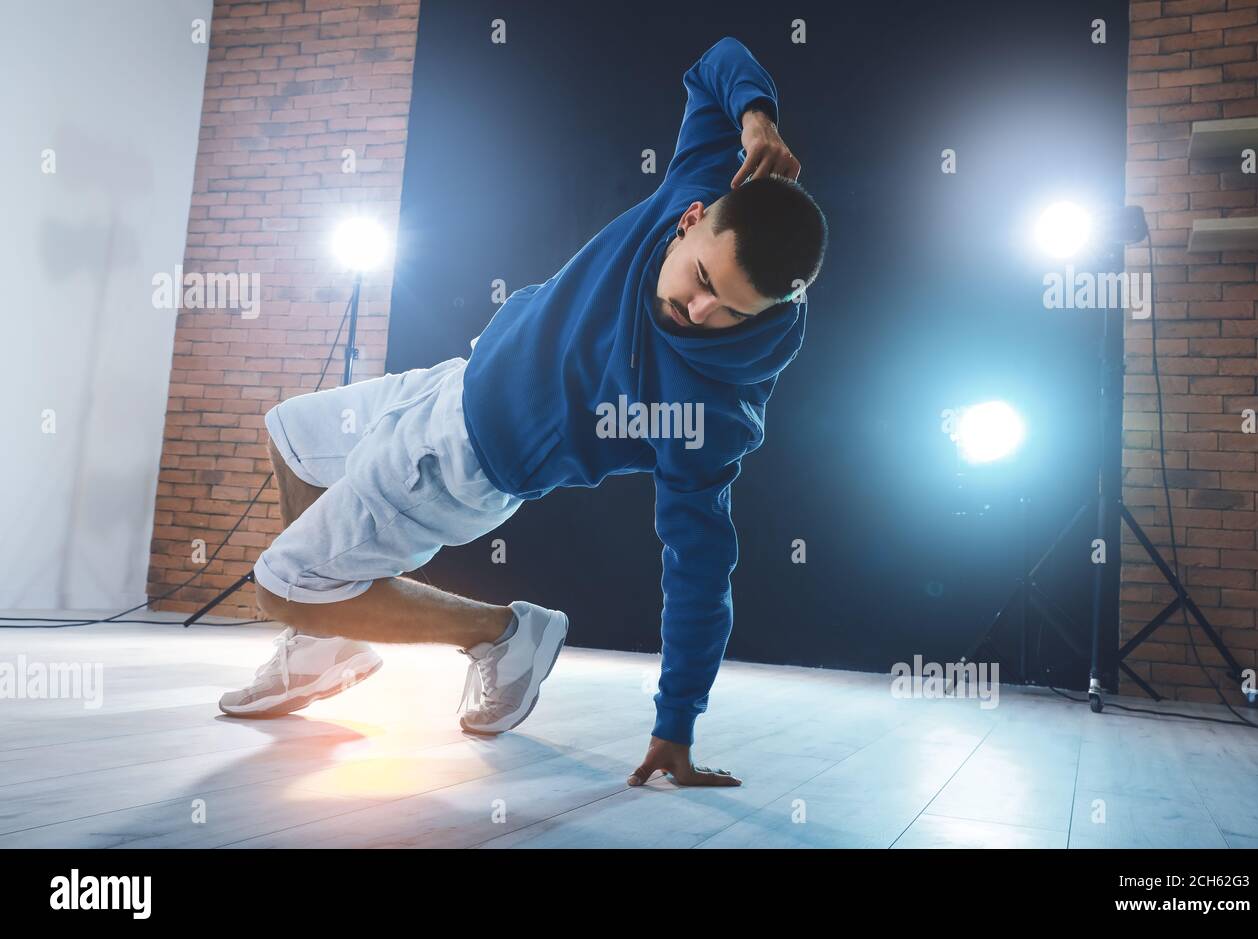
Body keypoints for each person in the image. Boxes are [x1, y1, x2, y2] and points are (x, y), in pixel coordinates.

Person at [219, 36, 828, 788]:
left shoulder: (713, 409)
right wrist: (759, 120)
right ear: (692, 218)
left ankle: (503, 632)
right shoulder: (701, 179)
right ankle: (329, 634)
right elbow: (717, 64)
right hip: (451, 379)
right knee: (292, 432)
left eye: (731, 311)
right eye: (701, 278)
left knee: (279, 587)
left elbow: (700, 566)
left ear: (770, 309)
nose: (697, 310)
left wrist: (676, 725)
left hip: (466, 461)